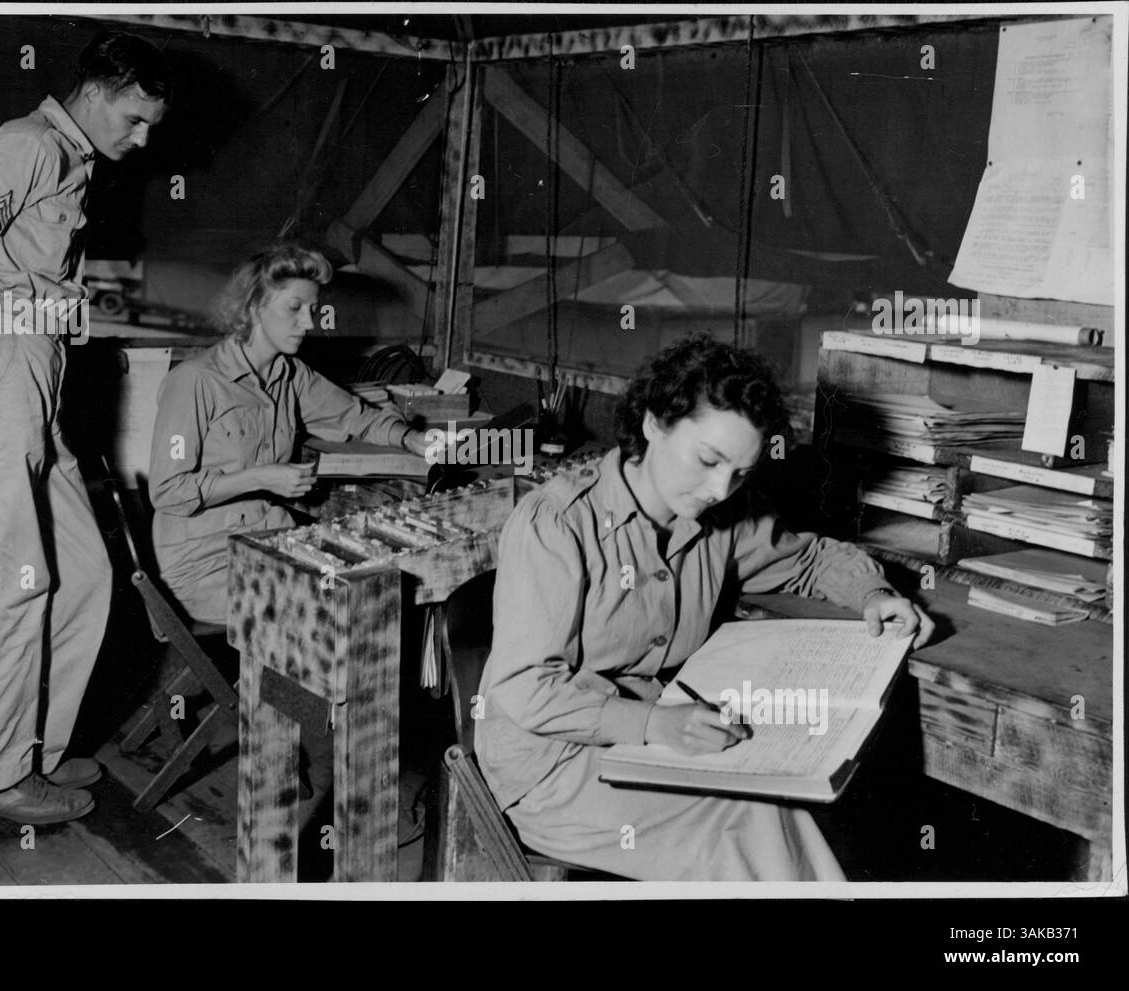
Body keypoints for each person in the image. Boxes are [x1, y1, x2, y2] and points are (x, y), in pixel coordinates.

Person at [475, 336, 934, 881]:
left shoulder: (720, 519)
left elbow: (807, 558)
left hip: (657, 735)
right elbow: (526, 687)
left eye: (740, 473)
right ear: (652, 424)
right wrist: (652, 724)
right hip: (552, 765)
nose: (720, 489)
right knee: (753, 817)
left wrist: (873, 594)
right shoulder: (556, 523)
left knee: (782, 797)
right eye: (709, 460)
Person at [0, 32, 171, 825]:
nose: (143, 138)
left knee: (84, 572)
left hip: (34, 374)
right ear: (94, 93)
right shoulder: (26, 147)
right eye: (134, 117)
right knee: (6, 581)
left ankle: (33, 752)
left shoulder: (72, 160)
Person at [147, 242, 431, 831]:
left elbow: (355, 415)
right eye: (296, 309)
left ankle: (333, 745)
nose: (311, 322)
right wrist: (261, 477)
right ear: (253, 309)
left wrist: (413, 440)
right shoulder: (193, 383)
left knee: (363, 591)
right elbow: (169, 491)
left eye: (313, 309)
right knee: (317, 610)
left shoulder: (288, 375)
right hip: (202, 560)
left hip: (267, 543)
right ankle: (284, 761)